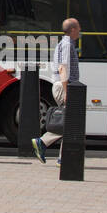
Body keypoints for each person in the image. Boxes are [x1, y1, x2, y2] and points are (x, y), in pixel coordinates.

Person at [33, 18, 81, 162]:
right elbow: (63, 68)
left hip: (63, 85)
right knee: (71, 121)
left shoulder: (65, 43)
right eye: (78, 28)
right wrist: (66, 91)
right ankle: (43, 142)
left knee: (71, 121)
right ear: (72, 30)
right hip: (63, 85)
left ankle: (62, 157)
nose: (80, 31)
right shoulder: (67, 45)